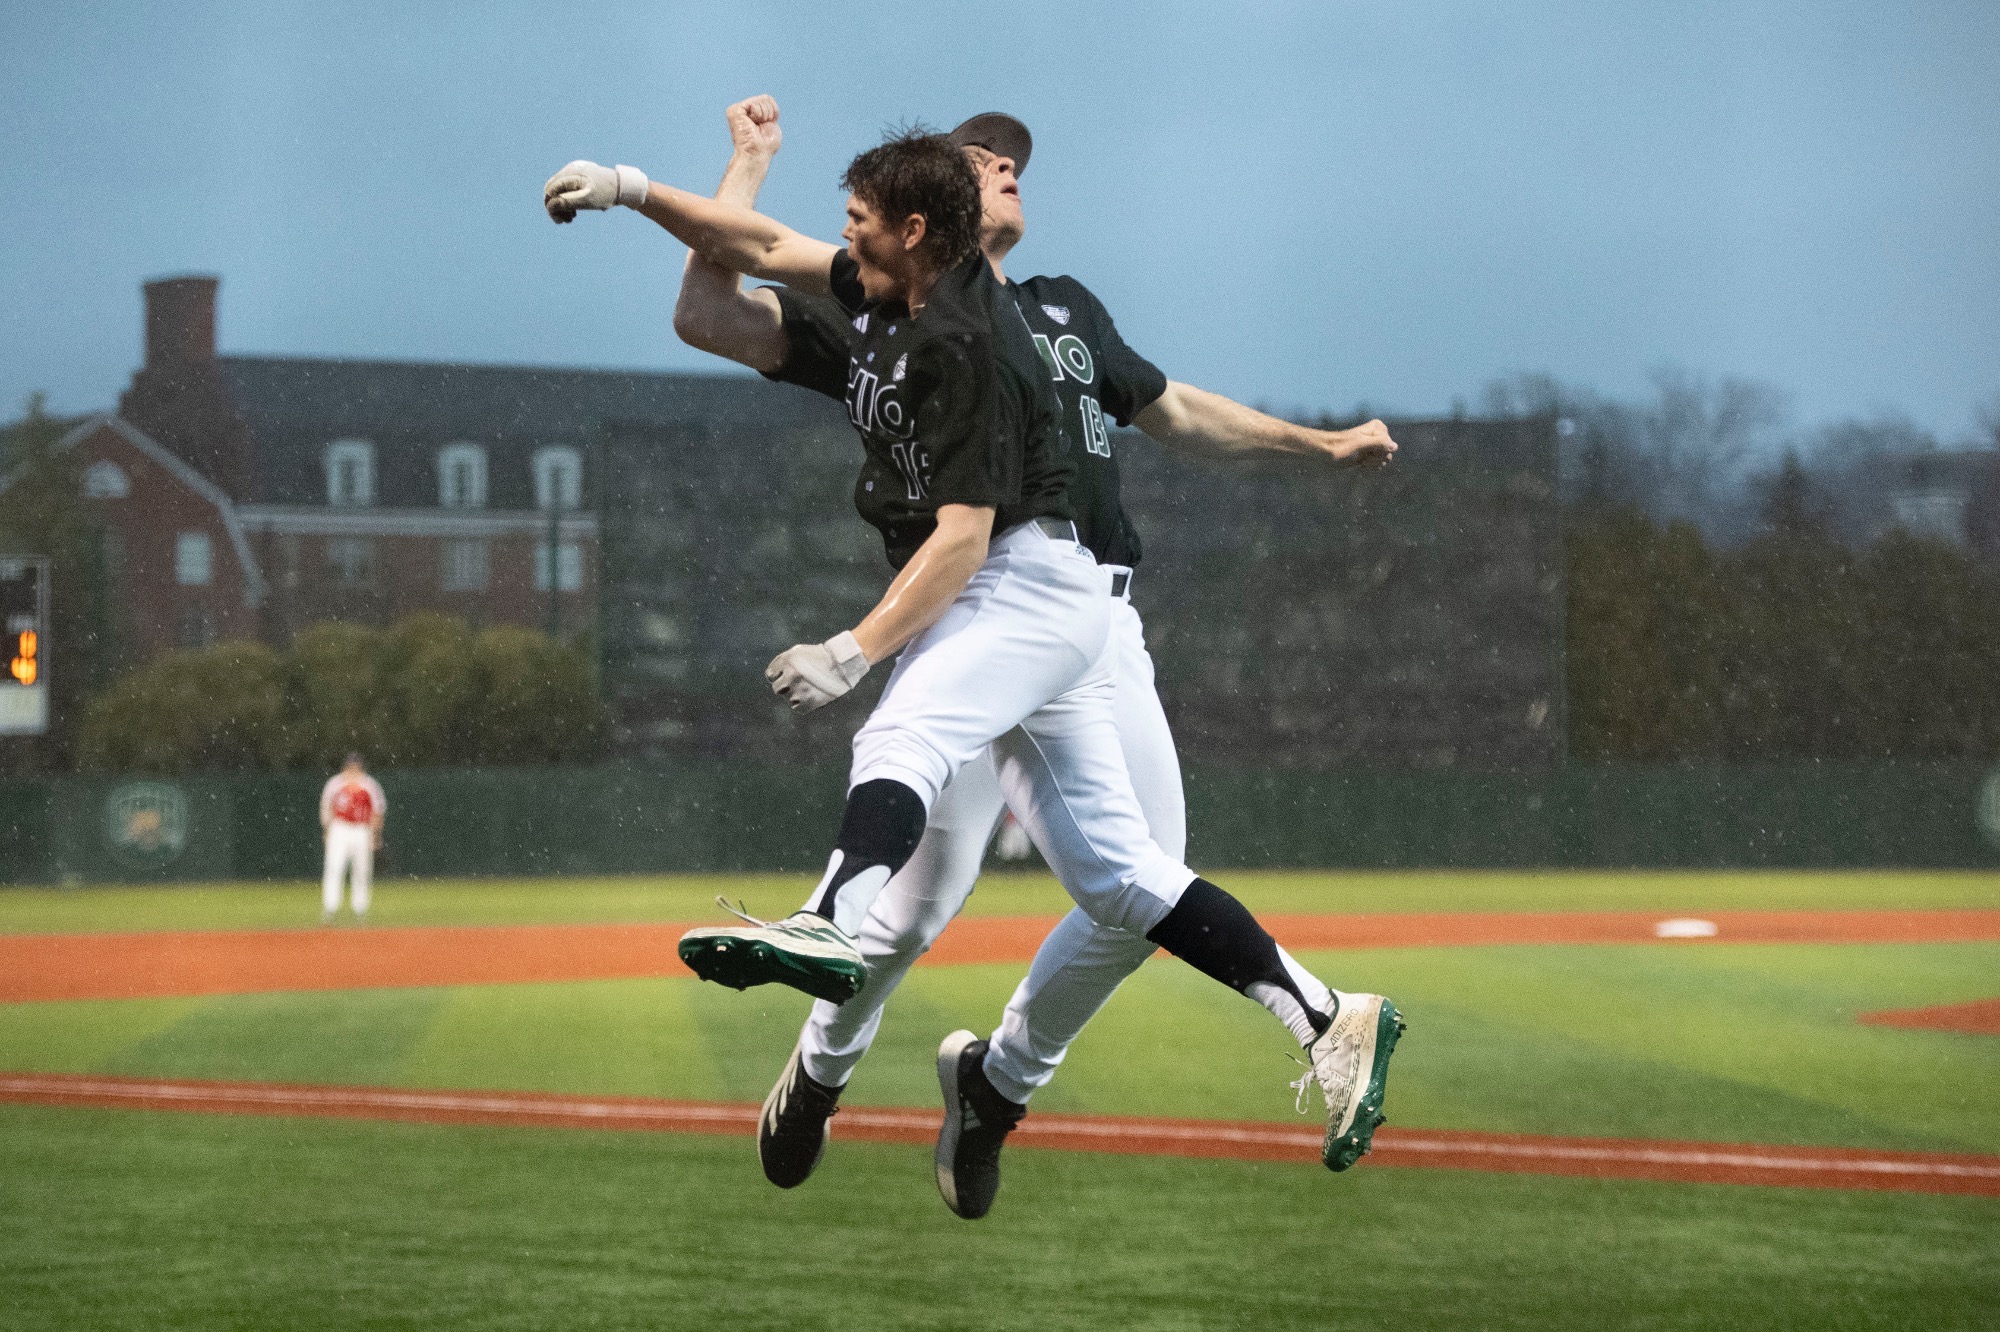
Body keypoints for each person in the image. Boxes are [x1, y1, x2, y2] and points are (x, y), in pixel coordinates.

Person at [544, 123, 1401, 1221]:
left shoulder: (1022, 318)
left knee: (1015, 825)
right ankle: (1316, 1015)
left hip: (1030, 598)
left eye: (1012, 161)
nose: (1005, 166)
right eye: (982, 155)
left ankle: (958, 1051)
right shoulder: (887, 304)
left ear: (915, 225)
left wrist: (1317, 447)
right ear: (938, 202)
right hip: (998, 604)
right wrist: (677, 178)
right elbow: (734, 275)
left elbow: (1117, 441)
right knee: (1046, 888)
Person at [319, 754, 384, 922]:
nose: (353, 769)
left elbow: (377, 811)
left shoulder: (369, 785)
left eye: (356, 766)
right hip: (339, 828)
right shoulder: (335, 783)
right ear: (345, 767)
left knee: (362, 870)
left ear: (361, 767)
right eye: (350, 766)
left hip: (361, 829)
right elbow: (327, 807)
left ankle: (360, 908)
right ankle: (330, 907)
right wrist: (327, 830)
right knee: (334, 867)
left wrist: (375, 834)